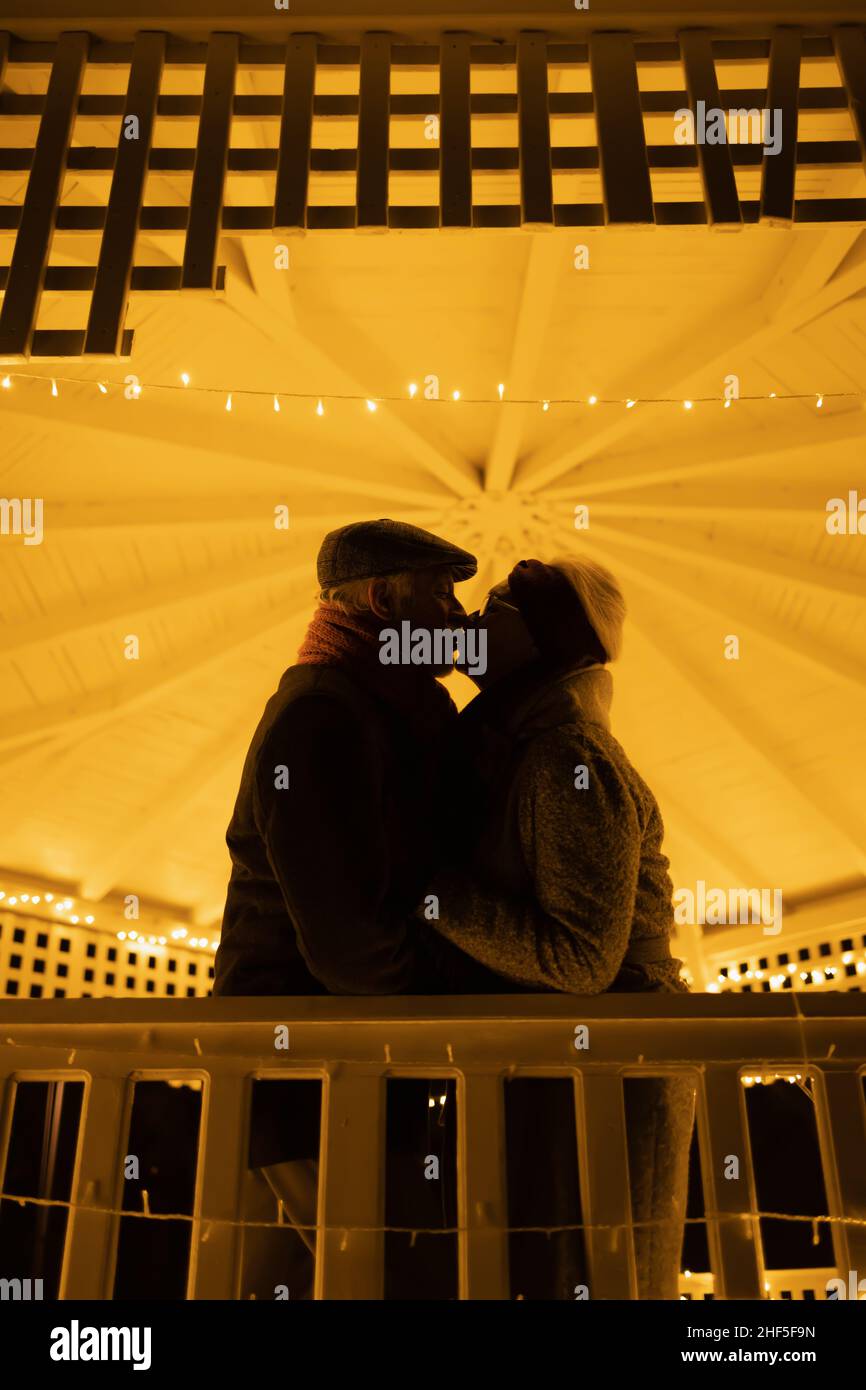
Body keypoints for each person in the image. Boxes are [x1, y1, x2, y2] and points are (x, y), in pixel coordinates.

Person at [213, 517, 503, 1297]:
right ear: (382, 599)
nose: (457, 616)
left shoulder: (382, 707)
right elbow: (351, 949)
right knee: (387, 1278)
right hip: (306, 1080)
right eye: (441, 595)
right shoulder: (321, 716)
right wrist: (452, 1008)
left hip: (330, 1079)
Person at [421, 555, 696, 1298]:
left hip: (612, 1077)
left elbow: (581, 960)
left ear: (545, 637)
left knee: (598, 1278)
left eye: (502, 603)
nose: (476, 616)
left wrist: (429, 897)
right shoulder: (530, 747)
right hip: (578, 1076)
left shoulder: (569, 757)